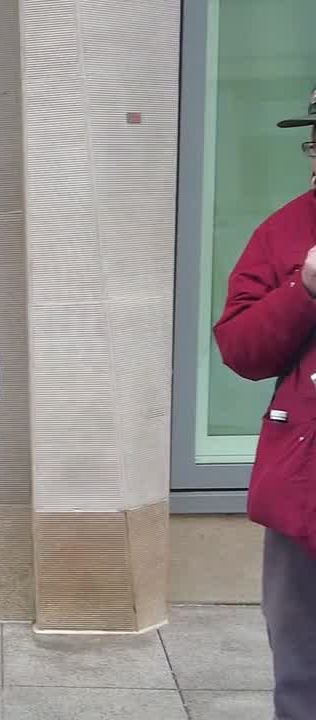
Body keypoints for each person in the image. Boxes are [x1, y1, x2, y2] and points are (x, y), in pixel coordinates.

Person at [213, 85, 316, 720]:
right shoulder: (285, 229)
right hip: (303, 490)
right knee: (302, 674)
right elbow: (240, 347)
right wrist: (302, 289)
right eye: (314, 144)